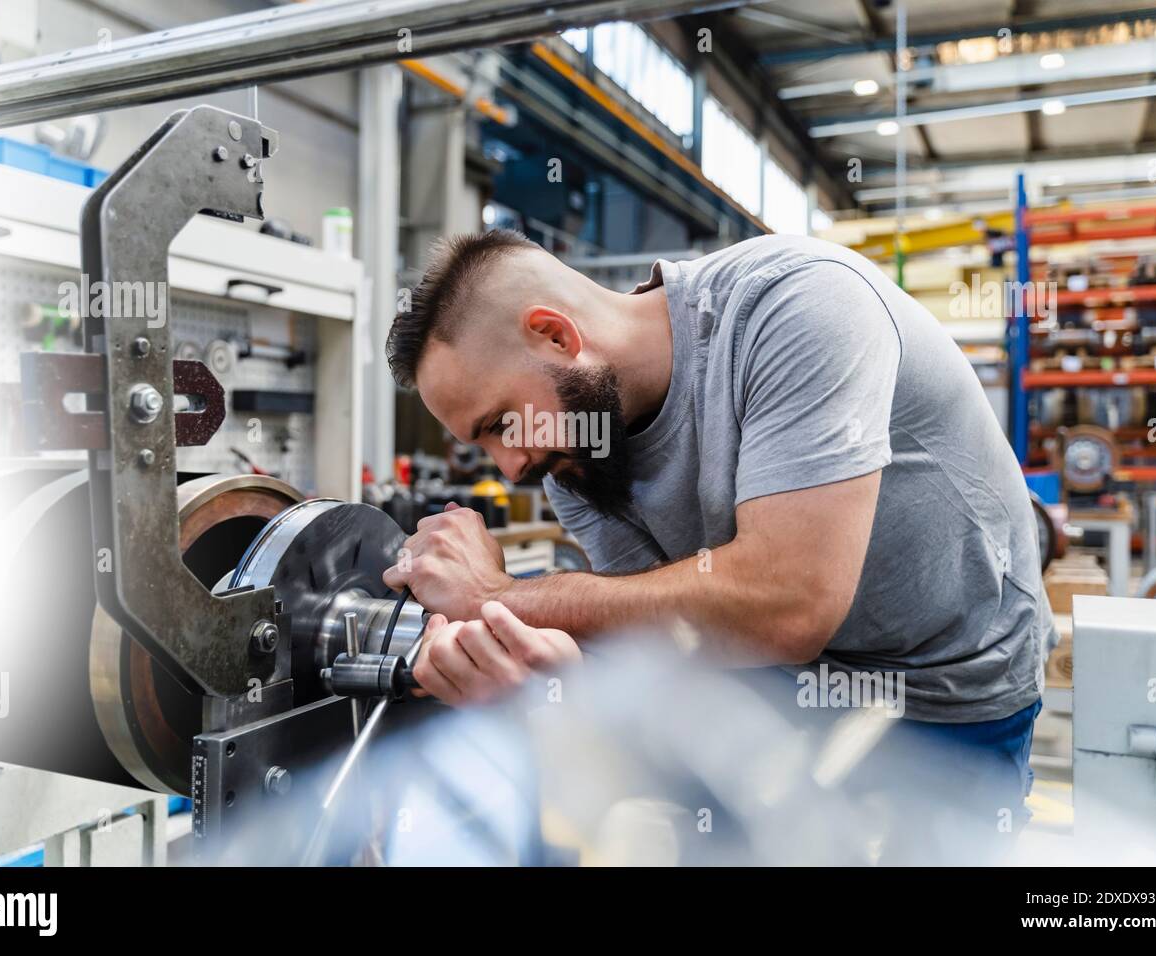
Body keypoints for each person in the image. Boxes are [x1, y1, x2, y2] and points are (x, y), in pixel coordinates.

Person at [382, 229, 1055, 821]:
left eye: (501, 422)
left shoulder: (797, 306)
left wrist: (498, 599)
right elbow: (667, 635)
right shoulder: (582, 455)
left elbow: (789, 605)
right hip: (777, 688)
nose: (511, 462)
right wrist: (547, 671)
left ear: (556, 335)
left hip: (947, 688)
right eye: (483, 444)